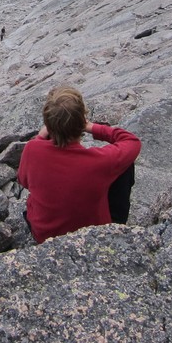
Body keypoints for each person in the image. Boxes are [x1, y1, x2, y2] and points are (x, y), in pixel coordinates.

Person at [18, 86, 141, 244]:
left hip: (43, 236)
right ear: (81, 121)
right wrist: (92, 127)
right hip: (91, 237)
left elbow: (23, 181)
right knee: (125, 166)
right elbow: (131, 141)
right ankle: (116, 226)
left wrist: (40, 137)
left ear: (48, 124)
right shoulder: (100, 161)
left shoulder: (32, 149)